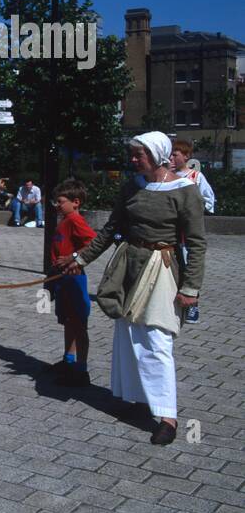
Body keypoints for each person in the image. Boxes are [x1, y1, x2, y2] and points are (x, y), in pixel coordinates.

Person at [65, 132, 206, 446]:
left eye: (138, 154)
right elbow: (111, 229)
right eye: (132, 154)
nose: (132, 159)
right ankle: (141, 401)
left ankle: (167, 417)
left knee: (156, 340)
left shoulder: (185, 191)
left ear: (156, 155)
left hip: (163, 268)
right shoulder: (132, 187)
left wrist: (191, 288)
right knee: (128, 335)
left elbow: (197, 244)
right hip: (130, 266)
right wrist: (81, 258)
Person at [45, 179, 96, 387]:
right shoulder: (65, 219)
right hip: (61, 278)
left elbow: (92, 242)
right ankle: (68, 360)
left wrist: (74, 257)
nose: (57, 205)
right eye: (56, 202)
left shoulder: (75, 219)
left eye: (61, 202)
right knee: (68, 321)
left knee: (79, 324)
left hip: (74, 278)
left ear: (76, 202)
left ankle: (81, 370)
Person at [170, 139, 214, 214]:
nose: (171, 158)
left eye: (174, 155)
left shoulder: (196, 176)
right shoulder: (165, 175)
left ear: (186, 156)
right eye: (169, 155)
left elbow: (208, 199)